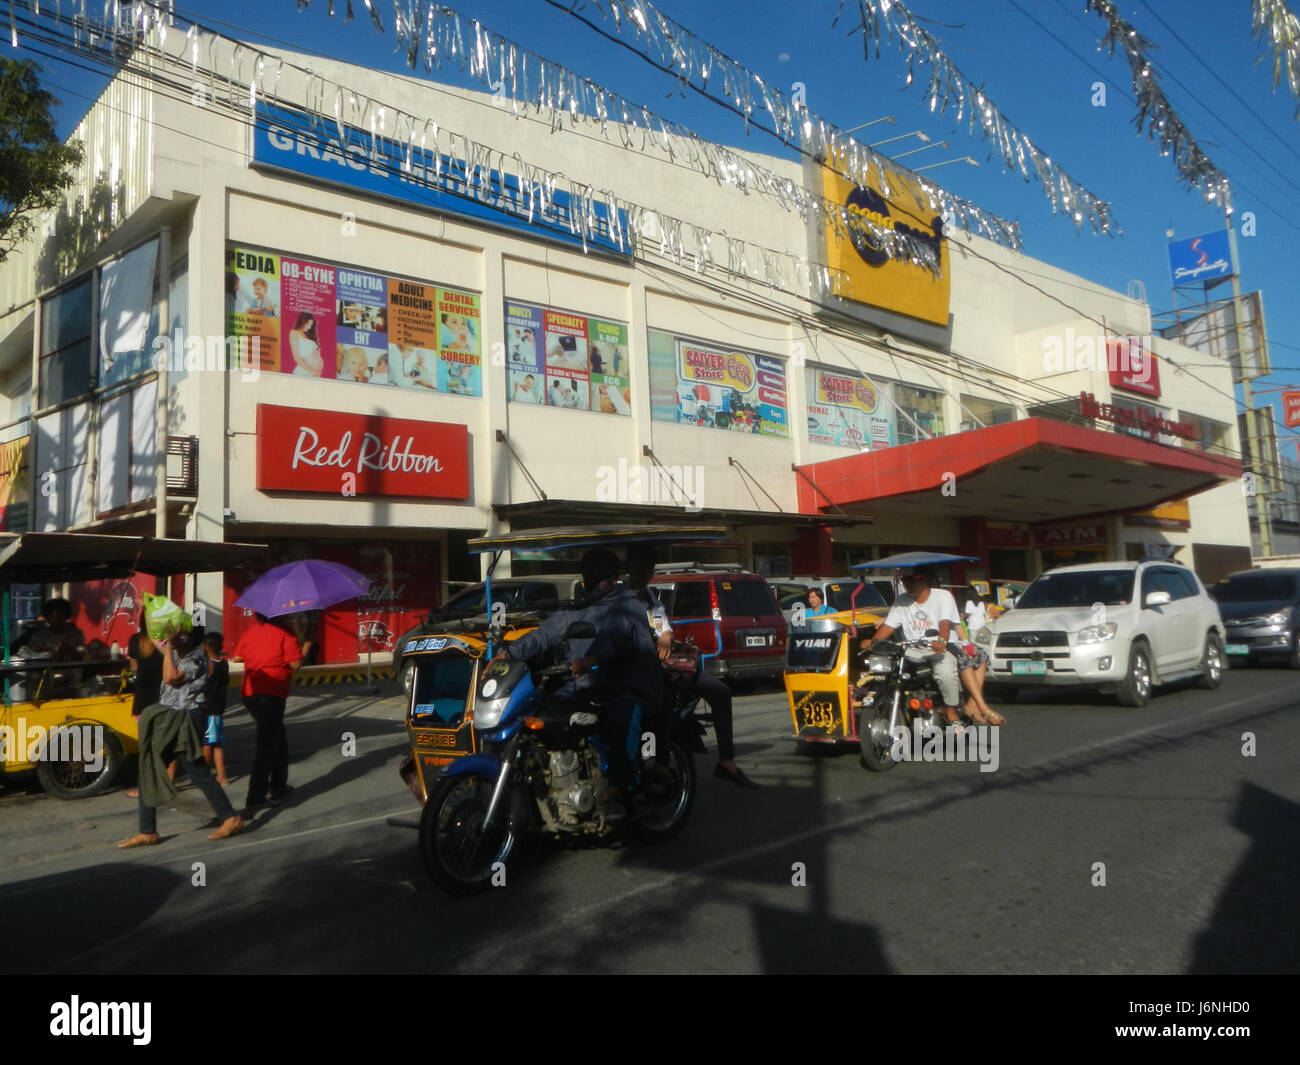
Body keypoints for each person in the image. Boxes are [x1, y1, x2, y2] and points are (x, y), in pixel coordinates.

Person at [625, 543, 758, 789]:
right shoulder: (619, 601)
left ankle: (726, 761)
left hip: (670, 666)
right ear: (628, 567)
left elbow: (662, 626)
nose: (644, 573)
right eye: (640, 567)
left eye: (649, 568)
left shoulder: (650, 599)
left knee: (721, 692)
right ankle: (657, 764)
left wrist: (665, 635)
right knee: (659, 707)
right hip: (643, 673)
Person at [117, 627, 242, 847]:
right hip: (170, 716)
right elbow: (157, 640)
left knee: (197, 772)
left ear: (190, 639)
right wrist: (158, 621)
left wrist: (167, 651)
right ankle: (147, 831)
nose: (173, 640)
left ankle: (231, 817)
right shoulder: (177, 652)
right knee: (151, 769)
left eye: (179, 636)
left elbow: (170, 677)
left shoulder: (196, 659)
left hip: (187, 718)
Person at [859, 569, 965, 727]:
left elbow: (944, 623)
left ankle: (951, 710)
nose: (907, 582)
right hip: (912, 649)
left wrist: (941, 641)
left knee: (945, 673)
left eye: (912, 579)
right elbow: (888, 626)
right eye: (904, 579)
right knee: (890, 672)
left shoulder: (943, 596)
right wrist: (873, 642)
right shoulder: (902, 600)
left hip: (941, 647)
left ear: (925, 578)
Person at [231, 613, 302, 813]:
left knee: (278, 736)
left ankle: (278, 785)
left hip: (250, 692)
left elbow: (237, 657)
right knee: (267, 744)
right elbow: (296, 664)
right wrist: (304, 640)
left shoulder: (250, 631)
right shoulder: (286, 633)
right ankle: (256, 796)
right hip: (271, 692)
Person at [124, 620, 165, 799]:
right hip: (164, 696)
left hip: (143, 698)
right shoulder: (164, 641)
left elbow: (135, 667)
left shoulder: (136, 641)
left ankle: (146, 787)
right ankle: (161, 783)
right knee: (160, 744)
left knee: (146, 745)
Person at [201, 632, 231, 786]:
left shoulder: (209, 666)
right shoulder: (223, 663)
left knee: (206, 743)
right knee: (216, 743)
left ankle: (206, 775)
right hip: (218, 707)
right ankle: (221, 775)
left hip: (209, 708)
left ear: (206, 646)